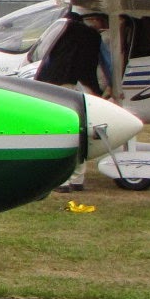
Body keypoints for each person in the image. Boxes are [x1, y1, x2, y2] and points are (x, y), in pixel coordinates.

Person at [34, 10, 110, 191]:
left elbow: (49, 62)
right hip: (81, 87)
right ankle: (77, 178)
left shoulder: (63, 34)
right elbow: (90, 67)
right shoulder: (92, 36)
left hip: (58, 87)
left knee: (62, 133)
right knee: (81, 134)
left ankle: (64, 180)